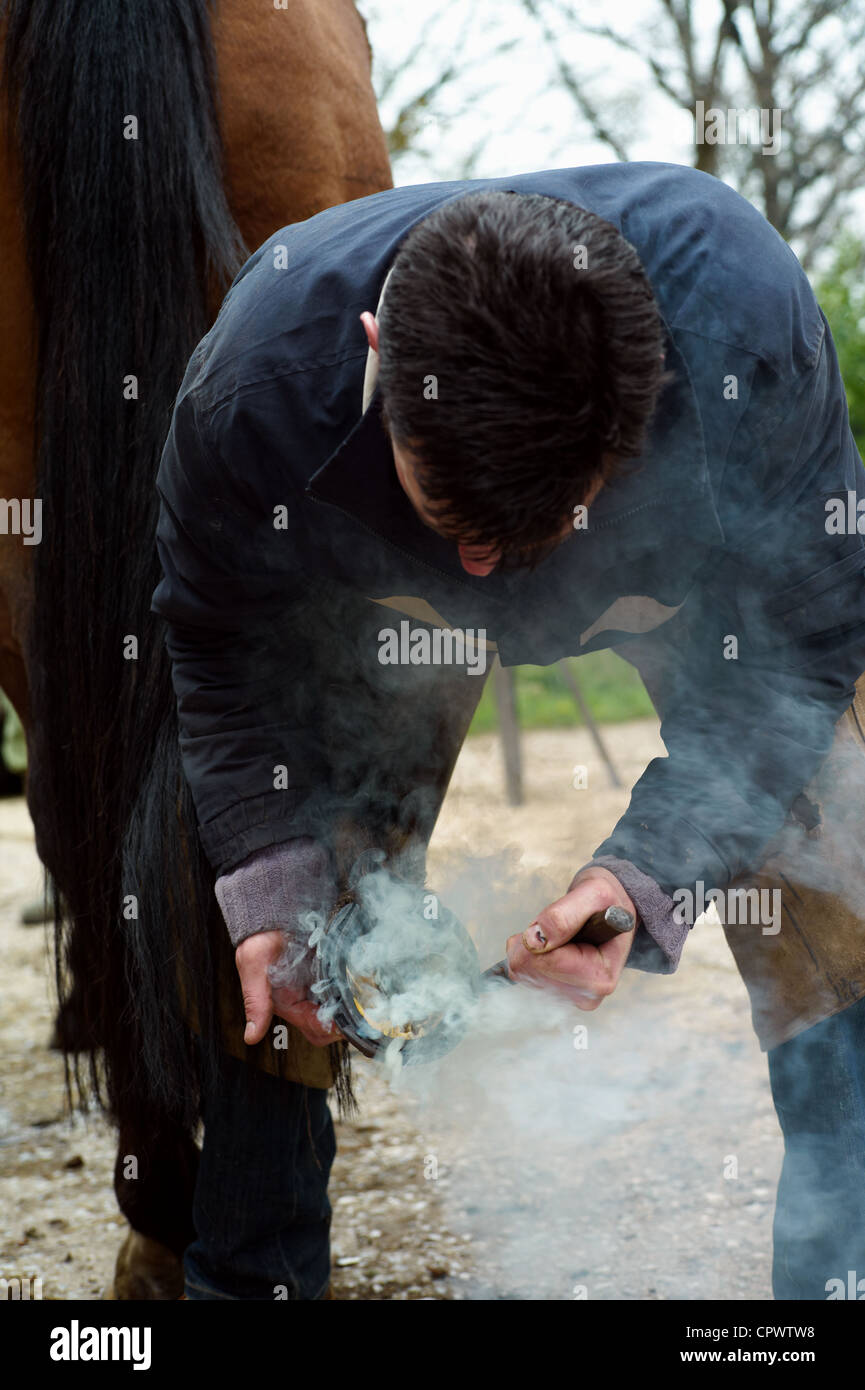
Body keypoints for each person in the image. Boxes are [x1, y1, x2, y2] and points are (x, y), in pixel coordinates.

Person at [152, 163, 865, 1301]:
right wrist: (270, 870)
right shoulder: (254, 392)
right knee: (286, 913)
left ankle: (839, 1275)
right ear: (379, 350)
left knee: (844, 881)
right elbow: (212, 642)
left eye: (524, 525)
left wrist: (645, 871)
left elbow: (803, 647)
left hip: (688, 591)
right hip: (362, 594)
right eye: (454, 515)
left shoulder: (743, 337)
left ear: (643, 409)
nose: (481, 569)